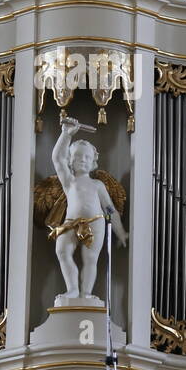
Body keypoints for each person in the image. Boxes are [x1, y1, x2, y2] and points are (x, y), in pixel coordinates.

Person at [50, 116, 127, 299]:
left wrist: (120, 232)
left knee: (90, 259)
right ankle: (73, 289)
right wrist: (65, 135)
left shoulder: (97, 185)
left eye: (87, 157)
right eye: (77, 157)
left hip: (95, 223)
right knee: (62, 250)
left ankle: (86, 294)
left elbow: (110, 209)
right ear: (71, 160)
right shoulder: (70, 182)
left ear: (93, 161)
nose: (82, 160)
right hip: (70, 223)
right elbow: (57, 159)